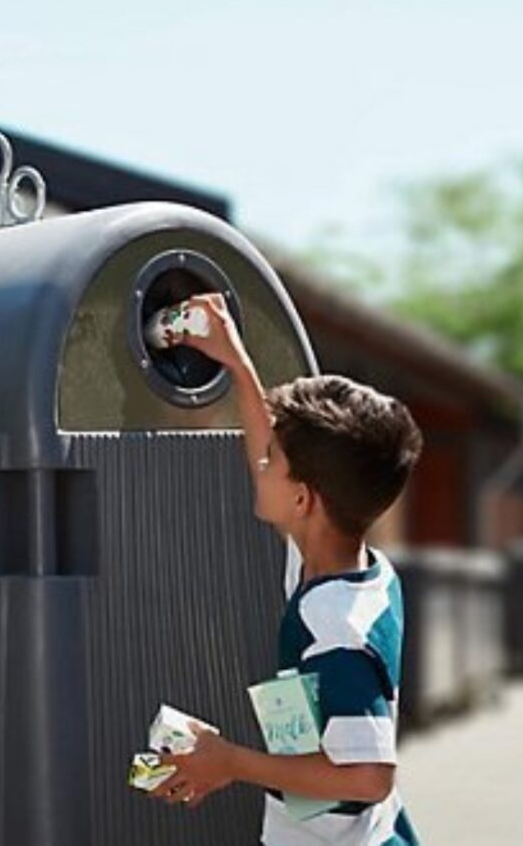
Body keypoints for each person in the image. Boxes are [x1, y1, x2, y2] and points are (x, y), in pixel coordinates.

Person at [147, 293, 424, 845]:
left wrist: (228, 761)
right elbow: (270, 454)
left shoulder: (337, 630)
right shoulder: (341, 562)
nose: (260, 463)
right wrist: (236, 362)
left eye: (272, 460)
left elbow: (368, 777)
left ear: (302, 500)